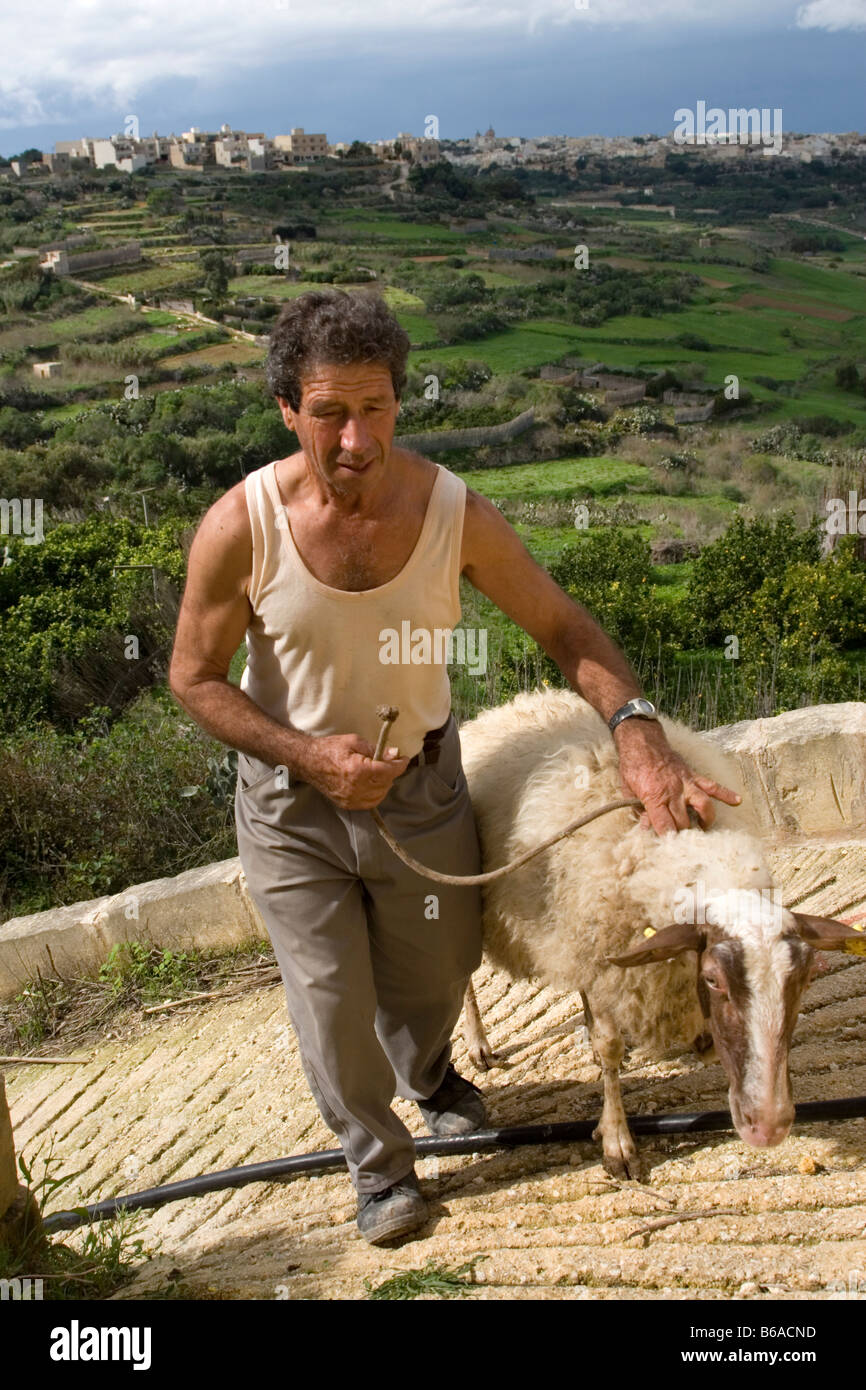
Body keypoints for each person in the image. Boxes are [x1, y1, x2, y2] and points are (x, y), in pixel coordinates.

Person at [169, 289, 739, 1245]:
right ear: (287, 410)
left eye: (376, 407)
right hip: (291, 805)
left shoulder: (451, 512)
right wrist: (308, 755)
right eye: (329, 412)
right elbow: (193, 677)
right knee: (330, 1001)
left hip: (422, 789)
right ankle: (379, 1168)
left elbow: (566, 628)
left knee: (438, 969)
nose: (356, 439)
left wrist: (637, 733)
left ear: (400, 400)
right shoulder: (243, 526)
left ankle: (430, 1075)